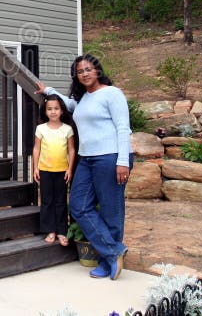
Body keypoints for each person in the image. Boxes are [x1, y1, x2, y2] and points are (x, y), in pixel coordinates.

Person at [36, 54, 133, 280]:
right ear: (77, 76)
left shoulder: (112, 93)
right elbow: (69, 105)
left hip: (110, 157)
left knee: (111, 210)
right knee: (79, 206)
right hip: (87, 159)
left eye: (88, 69)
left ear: (97, 70)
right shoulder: (84, 99)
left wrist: (122, 161)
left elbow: (122, 127)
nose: (85, 74)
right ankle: (113, 252)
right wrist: (48, 90)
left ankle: (106, 260)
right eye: (80, 72)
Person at [32, 94, 76, 247]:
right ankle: (49, 230)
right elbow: (36, 149)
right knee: (47, 201)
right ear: (45, 111)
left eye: (56, 108)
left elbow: (71, 150)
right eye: (49, 109)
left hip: (62, 171)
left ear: (62, 110)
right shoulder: (40, 129)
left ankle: (62, 231)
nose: (53, 112)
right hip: (45, 170)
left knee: (61, 202)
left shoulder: (67, 129)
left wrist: (70, 169)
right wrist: (35, 168)